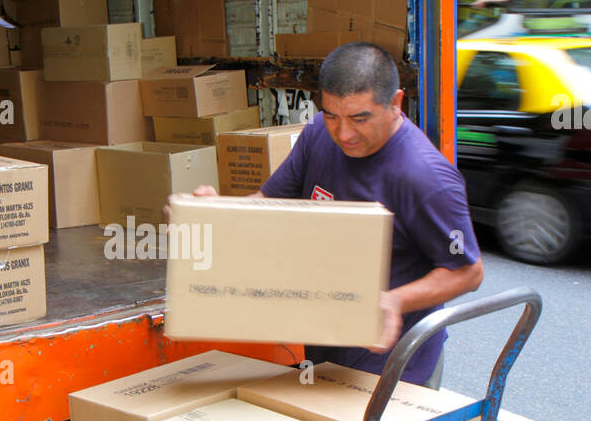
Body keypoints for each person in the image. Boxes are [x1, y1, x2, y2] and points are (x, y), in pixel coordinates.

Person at [191, 42, 484, 386]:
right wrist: (217, 212)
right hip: (323, 346)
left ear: (395, 103)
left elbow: (467, 271)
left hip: (392, 364)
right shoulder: (318, 134)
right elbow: (268, 204)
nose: (343, 134)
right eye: (332, 115)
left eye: (360, 119)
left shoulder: (425, 177)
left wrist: (393, 301)